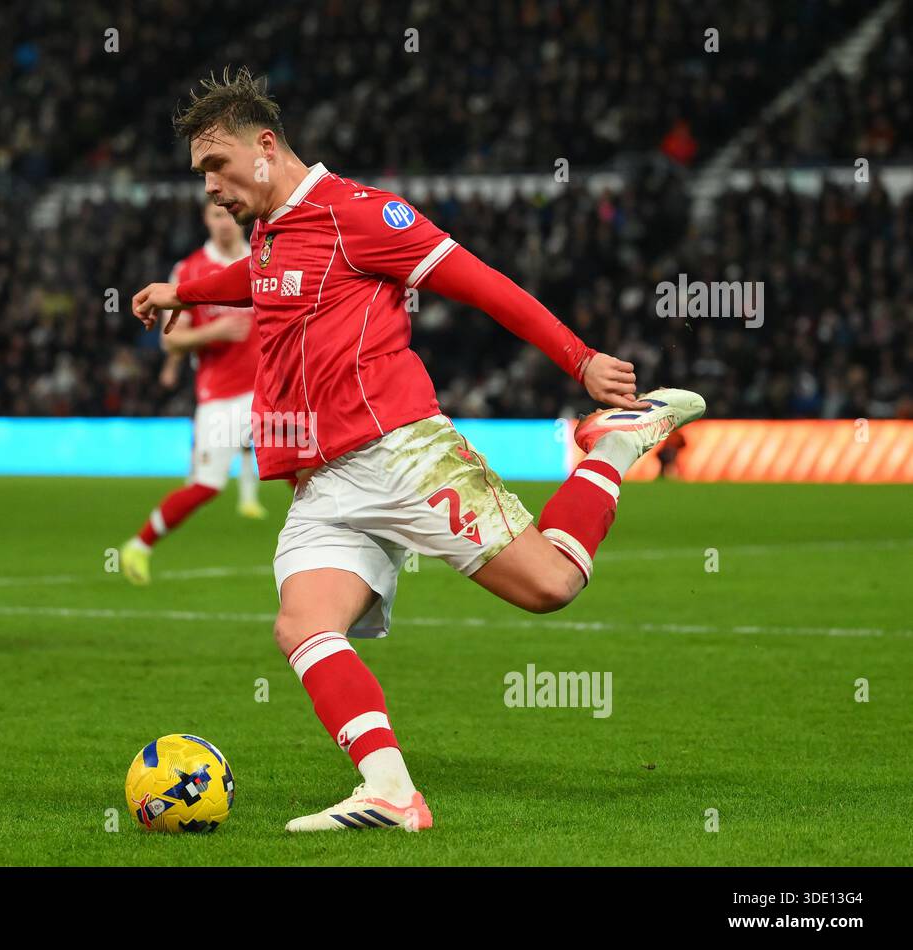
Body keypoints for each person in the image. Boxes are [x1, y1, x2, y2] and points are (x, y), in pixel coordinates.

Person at [132, 68, 705, 832]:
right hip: (321, 483)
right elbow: (265, 280)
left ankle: (608, 447)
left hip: (400, 455)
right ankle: (392, 792)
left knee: (553, 584)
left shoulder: (361, 214)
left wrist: (580, 361)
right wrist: (190, 293)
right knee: (302, 626)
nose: (209, 187)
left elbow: (483, 284)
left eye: (216, 165)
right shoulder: (272, 232)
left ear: (264, 147)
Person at [119, 200, 265, 585]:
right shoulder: (189, 271)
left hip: (270, 394)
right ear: (206, 219)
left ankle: (337, 558)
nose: (225, 223)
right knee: (205, 486)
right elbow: (171, 341)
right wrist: (213, 333)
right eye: (216, 215)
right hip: (221, 397)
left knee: (305, 474)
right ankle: (139, 544)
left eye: (230, 215)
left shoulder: (265, 260)